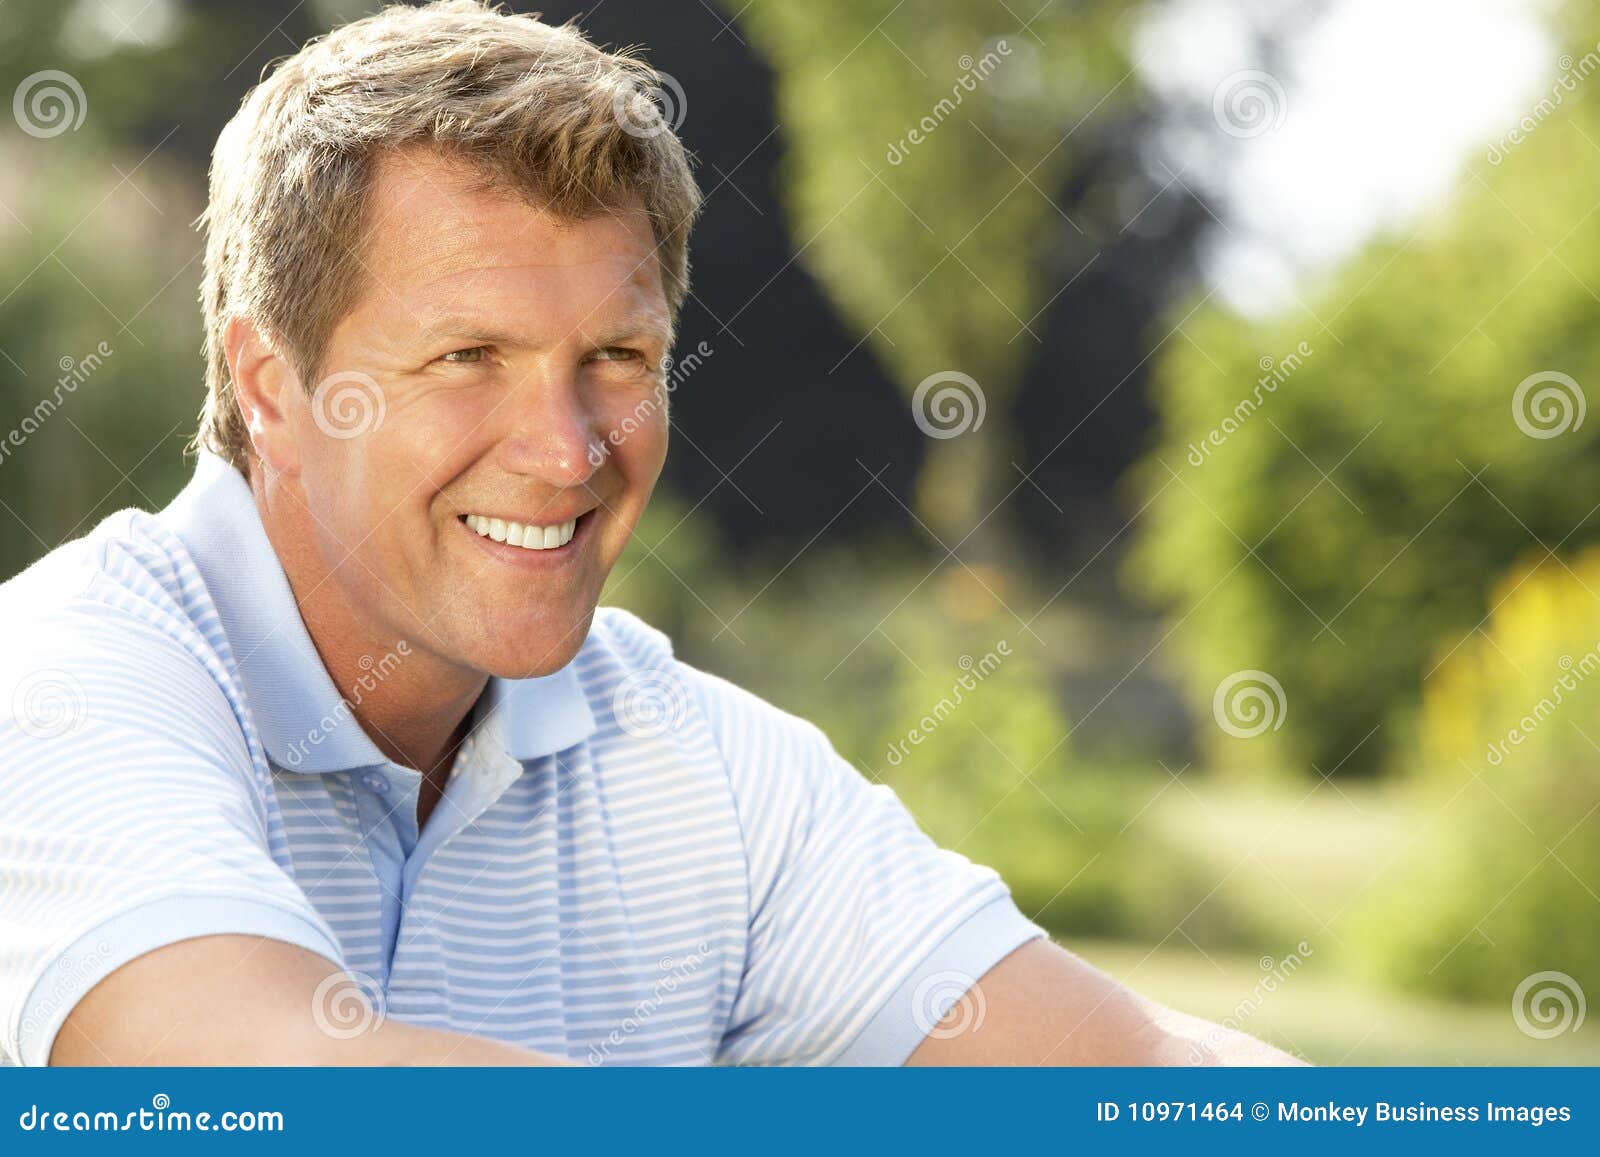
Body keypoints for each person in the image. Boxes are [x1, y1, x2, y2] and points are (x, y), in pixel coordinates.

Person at [0, 0, 1297, 1067]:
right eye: (469, 356)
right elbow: (268, 1090)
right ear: (272, 387)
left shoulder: (698, 768)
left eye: (616, 357)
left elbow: (1132, 1068)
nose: (567, 450)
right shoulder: (62, 684)